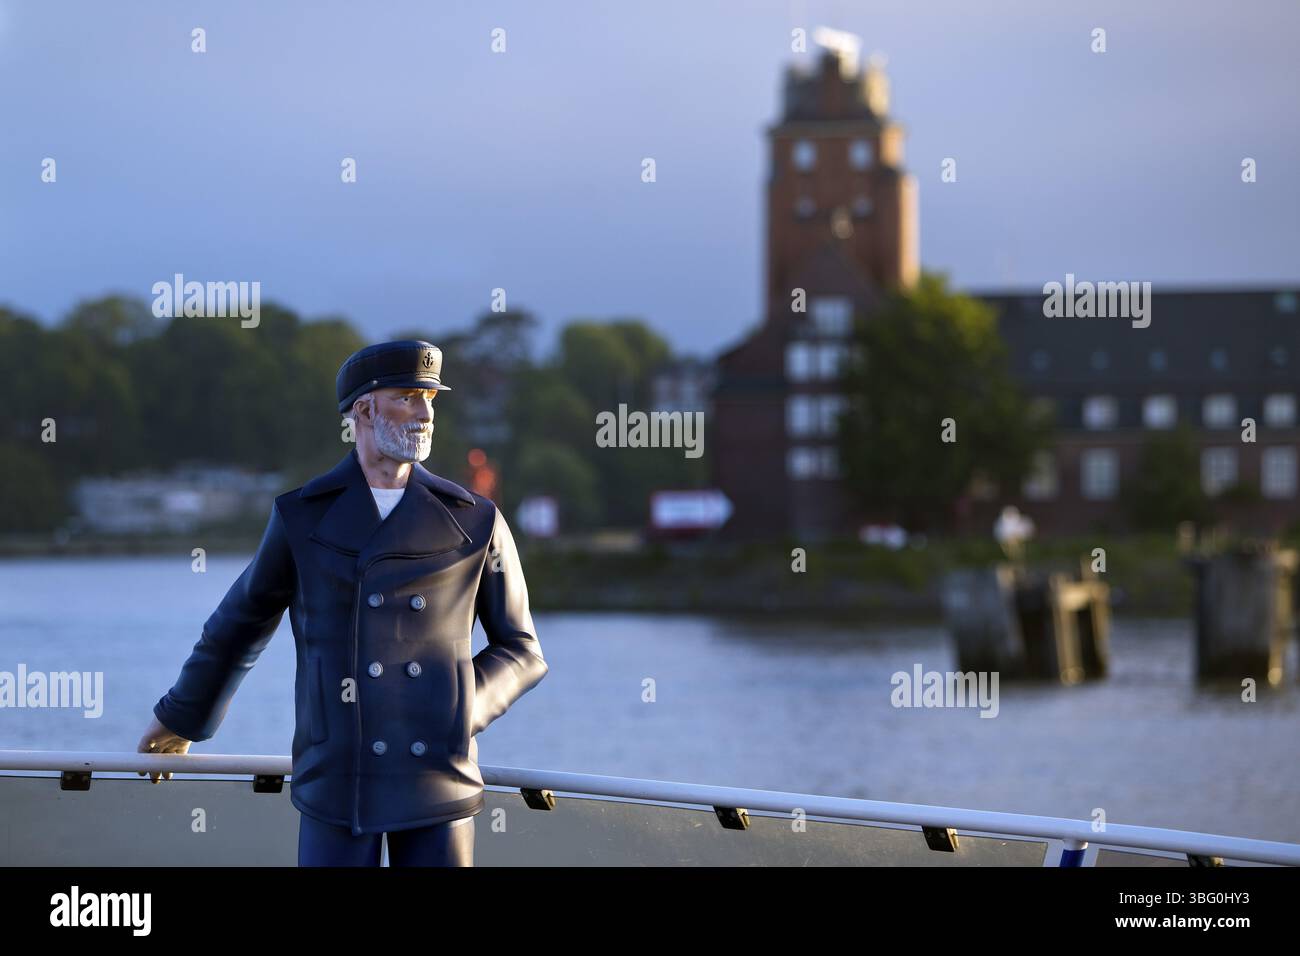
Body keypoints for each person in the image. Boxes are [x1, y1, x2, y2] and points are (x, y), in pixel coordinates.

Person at [137, 340, 548, 866]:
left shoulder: (475, 520)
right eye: (407, 397)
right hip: (335, 780)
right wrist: (179, 718)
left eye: (430, 399)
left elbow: (521, 649)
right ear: (364, 409)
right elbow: (239, 625)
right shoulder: (302, 518)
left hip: (440, 781)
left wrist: (458, 709)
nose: (425, 413)